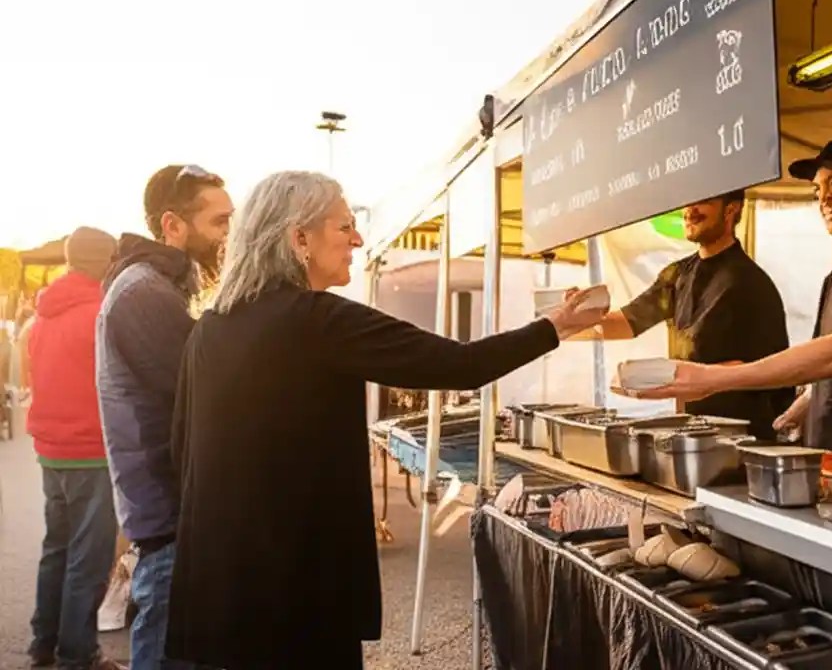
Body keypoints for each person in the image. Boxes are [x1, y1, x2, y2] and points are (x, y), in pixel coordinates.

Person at [164, 171, 606, 669]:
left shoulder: (211, 328)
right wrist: (557, 326)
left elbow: (182, 447)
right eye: (344, 227)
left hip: (225, 585)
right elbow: (460, 364)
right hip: (299, 589)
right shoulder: (318, 320)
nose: (357, 239)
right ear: (299, 238)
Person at [630, 136, 832, 450]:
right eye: (818, 189)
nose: (825, 198)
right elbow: (827, 372)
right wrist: (797, 410)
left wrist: (710, 378)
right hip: (828, 460)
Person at [97, 164, 234, 670]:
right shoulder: (144, 293)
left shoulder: (159, 284)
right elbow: (203, 394)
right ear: (173, 225)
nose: (228, 235)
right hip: (170, 512)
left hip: (170, 510)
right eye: (219, 222)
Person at [583, 190, 792, 439]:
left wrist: (687, 377)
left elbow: (771, 369)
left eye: (703, 200)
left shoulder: (751, 283)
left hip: (745, 437)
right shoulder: (677, 275)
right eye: (688, 200)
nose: (690, 210)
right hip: (696, 432)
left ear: (731, 210)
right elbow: (627, 322)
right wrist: (568, 320)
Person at [26, 227, 124, 670]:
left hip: (51, 449)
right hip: (91, 451)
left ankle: (43, 645)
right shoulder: (102, 313)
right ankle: (77, 654)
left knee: (57, 548)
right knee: (90, 556)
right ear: (106, 261)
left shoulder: (43, 315)